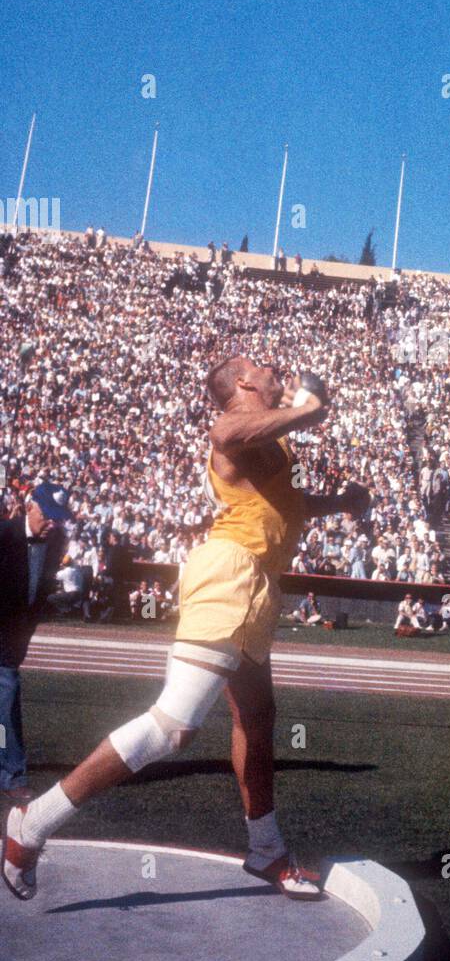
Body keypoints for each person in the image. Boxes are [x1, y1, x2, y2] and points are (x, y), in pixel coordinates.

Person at [2, 357, 371, 902]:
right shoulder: (230, 432)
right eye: (266, 368)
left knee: (258, 719)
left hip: (258, 586)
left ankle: (265, 848)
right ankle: (30, 825)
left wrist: (338, 503)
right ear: (243, 385)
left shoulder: (271, 445)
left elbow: (281, 507)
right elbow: (227, 430)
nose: (279, 371)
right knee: (172, 728)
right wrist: (309, 408)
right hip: (228, 575)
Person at [0, 482, 72, 804]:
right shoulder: (4, 534)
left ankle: (9, 769)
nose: (53, 523)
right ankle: (13, 774)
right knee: (7, 700)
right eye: (48, 516)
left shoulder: (56, 542)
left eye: (58, 517)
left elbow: (38, 592)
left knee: (5, 702)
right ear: (31, 506)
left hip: (14, 638)